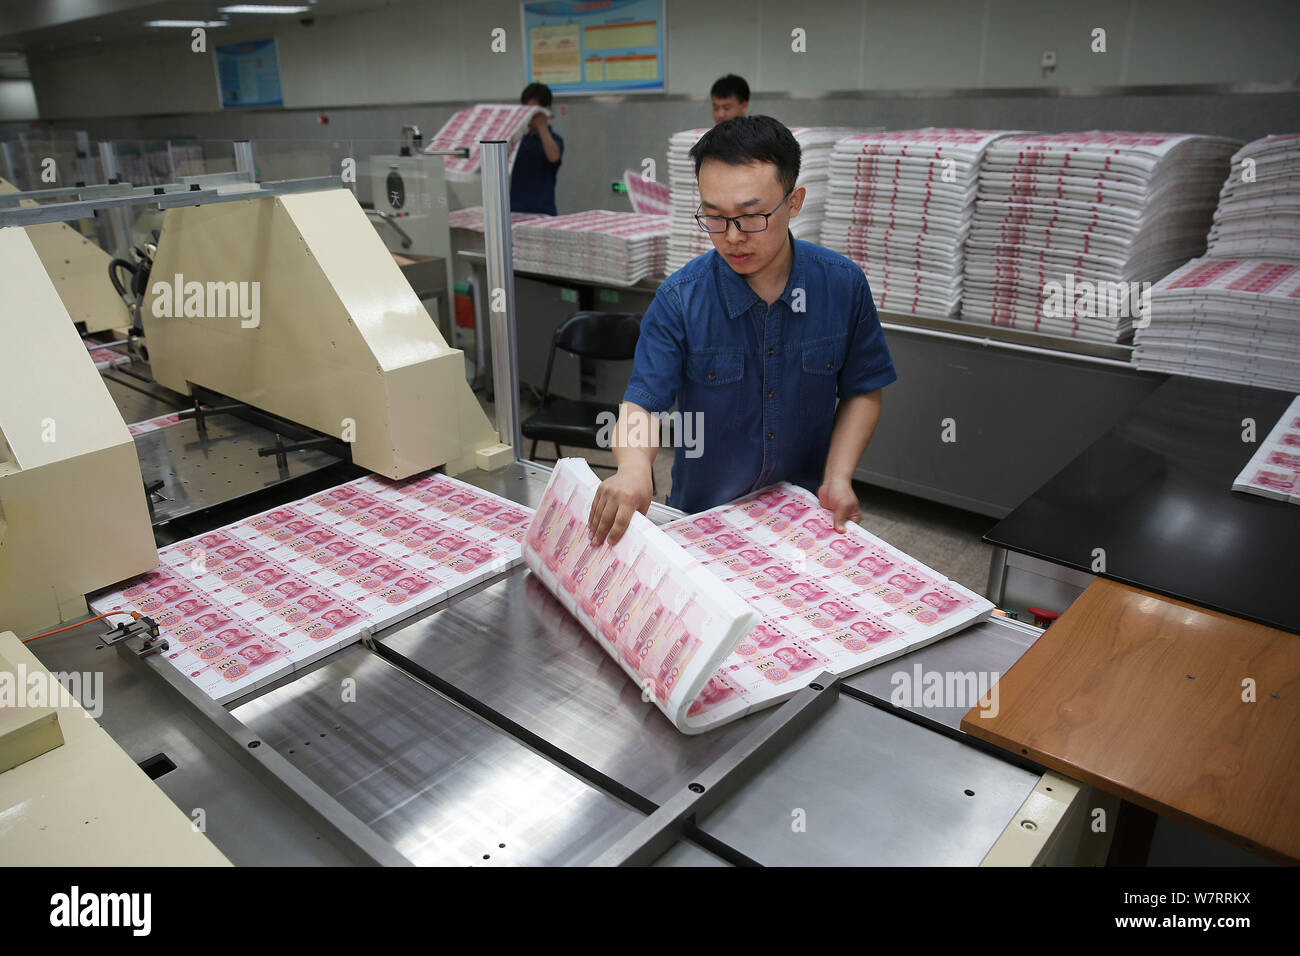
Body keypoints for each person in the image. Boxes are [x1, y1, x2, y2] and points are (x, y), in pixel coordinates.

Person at [588, 116, 896, 545]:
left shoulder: (842, 285)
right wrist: (635, 469)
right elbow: (643, 402)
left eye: (751, 217)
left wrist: (839, 476)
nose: (732, 237)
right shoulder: (680, 299)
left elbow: (863, 388)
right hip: (703, 519)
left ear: (794, 202)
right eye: (714, 217)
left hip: (803, 517)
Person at [510, 82, 564, 215]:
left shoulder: (554, 139)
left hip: (542, 212)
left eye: (533, 111)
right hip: (515, 210)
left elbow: (553, 156)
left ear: (546, 109)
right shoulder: (519, 140)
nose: (529, 116)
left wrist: (541, 124)